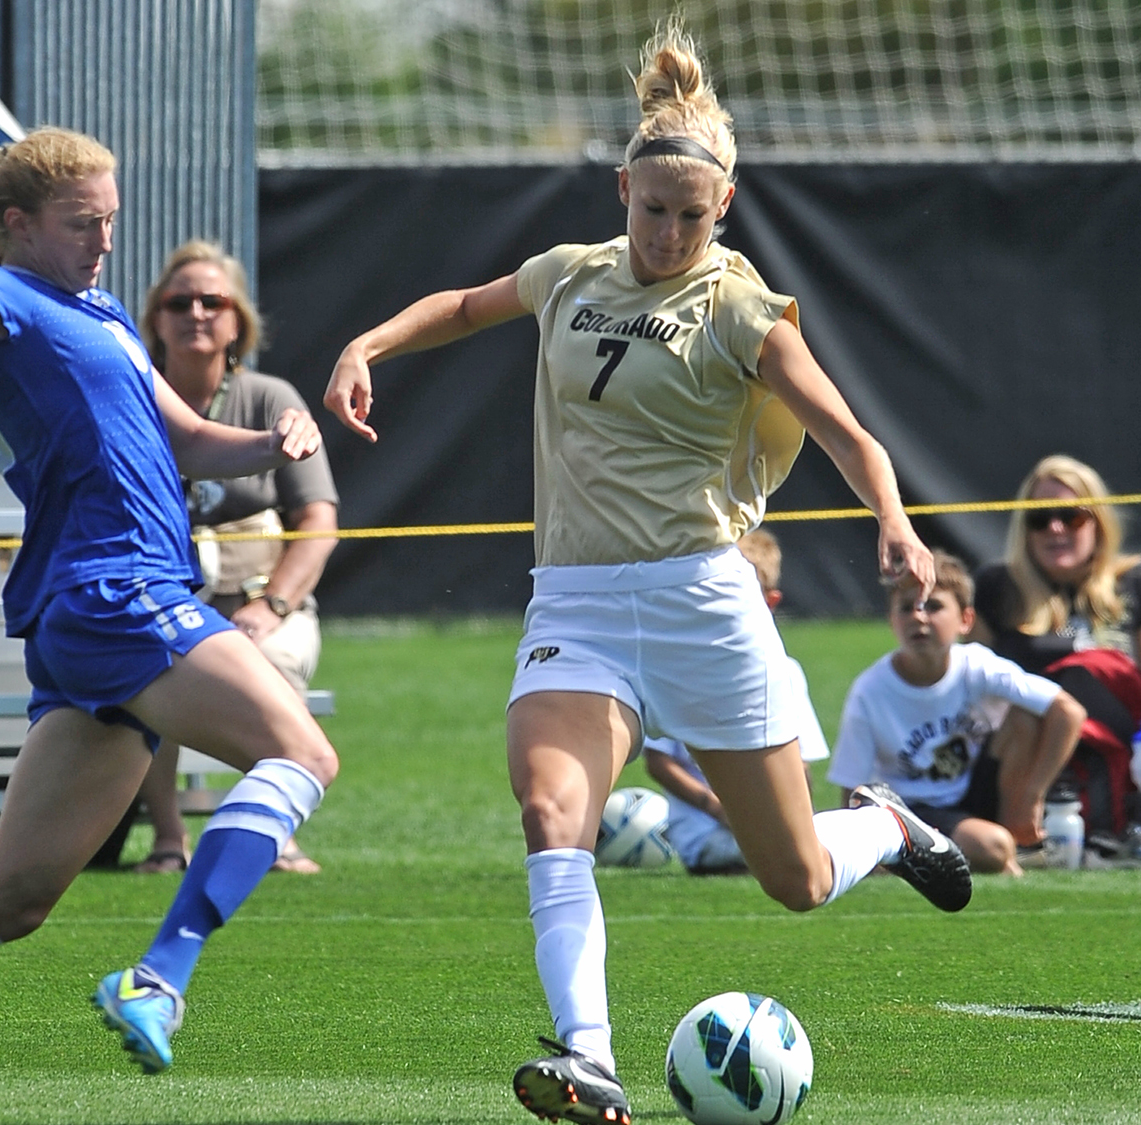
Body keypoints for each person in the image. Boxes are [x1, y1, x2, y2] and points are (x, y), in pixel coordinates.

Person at [321, 24, 962, 1125]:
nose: (667, 231)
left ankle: (888, 829)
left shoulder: (740, 310)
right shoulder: (570, 276)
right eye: (650, 207)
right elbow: (465, 308)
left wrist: (895, 527)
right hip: (574, 600)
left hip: (701, 603)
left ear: (725, 208)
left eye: (690, 214)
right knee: (547, 808)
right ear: (620, 188)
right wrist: (363, 348)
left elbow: (854, 437)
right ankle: (590, 1058)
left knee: (795, 879)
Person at [0, 128, 338, 1101]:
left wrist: (274, 441)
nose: (105, 241)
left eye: (111, 222)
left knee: (11, 899)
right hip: (117, 594)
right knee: (303, 757)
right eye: (85, 224)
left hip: (94, 617)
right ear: (17, 224)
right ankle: (158, 977)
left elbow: (192, 442)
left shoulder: (106, 312)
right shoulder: (1, 298)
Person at [133, 240, 339, 876]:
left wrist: (270, 604)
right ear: (156, 318)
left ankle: (273, 833)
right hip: (170, 600)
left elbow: (318, 522)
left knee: (271, 662)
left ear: (237, 320)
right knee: (153, 671)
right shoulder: (136, 396)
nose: (196, 312)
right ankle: (169, 839)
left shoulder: (272, 396)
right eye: (179, 301)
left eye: (212, 301)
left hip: (263, 601)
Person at [827, 552, 1087, 876]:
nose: (919, 618)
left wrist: (1034, 794)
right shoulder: (871, 690)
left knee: (1026, 717)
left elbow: (1068, 712)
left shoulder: (977, 666)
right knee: (992, 848)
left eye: (933, 606)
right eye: (906, 608)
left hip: (970, 797)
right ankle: (934, 854)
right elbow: (851, 787)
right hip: (906, 811)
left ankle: (1015, 841)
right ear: (891, 619)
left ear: (965, 620)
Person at [642, 530, 828, 875]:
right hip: (704, 833)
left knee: (815, 851)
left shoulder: (785, 672)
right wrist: (716, 808)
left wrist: (804, 828)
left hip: (764, 825)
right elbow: (658, 761)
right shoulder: (679, 667)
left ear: (769, 601)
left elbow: (799, 765)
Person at [971, 454, 1141, 693]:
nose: (1055, 528)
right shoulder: (995, 585)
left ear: (1099, 522)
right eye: (1040, 518)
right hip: (1025, 726)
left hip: (1113, 728)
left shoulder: (1137, 581)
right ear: (1025, 527)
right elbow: (973, 687)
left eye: (1071, 517)